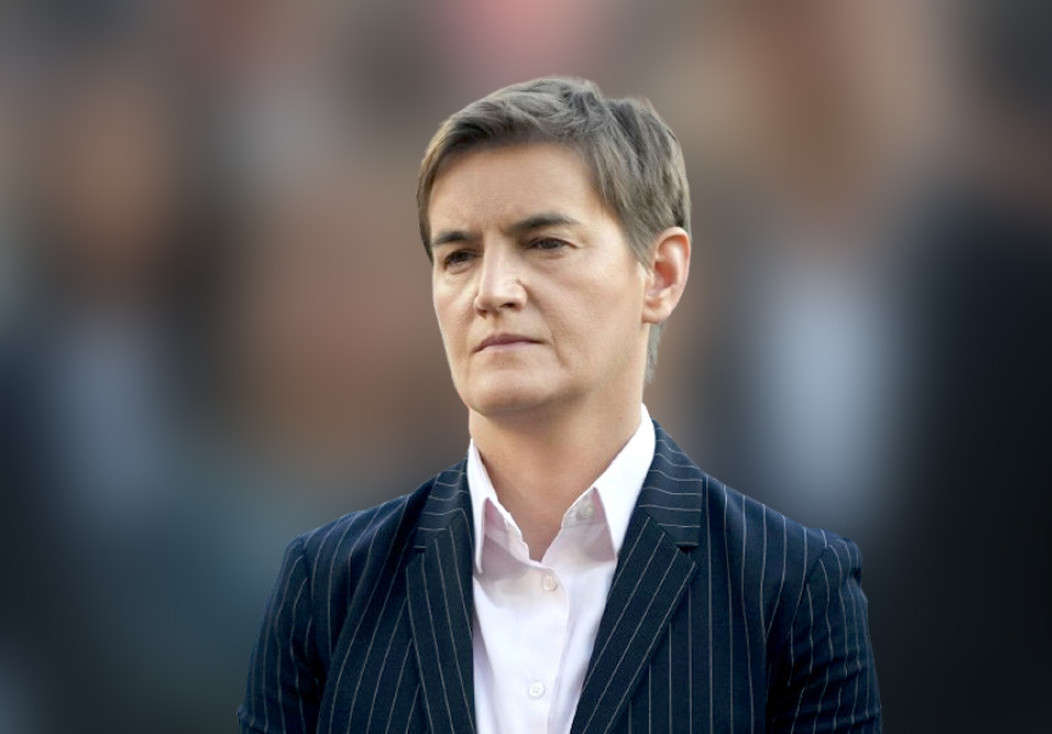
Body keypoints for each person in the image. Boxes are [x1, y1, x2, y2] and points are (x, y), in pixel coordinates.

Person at [238, 77, 881, 733]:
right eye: (458, 255)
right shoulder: (329, 589)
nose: (492, 290)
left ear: (661, 274)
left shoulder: (792, 593)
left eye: (545, 243)